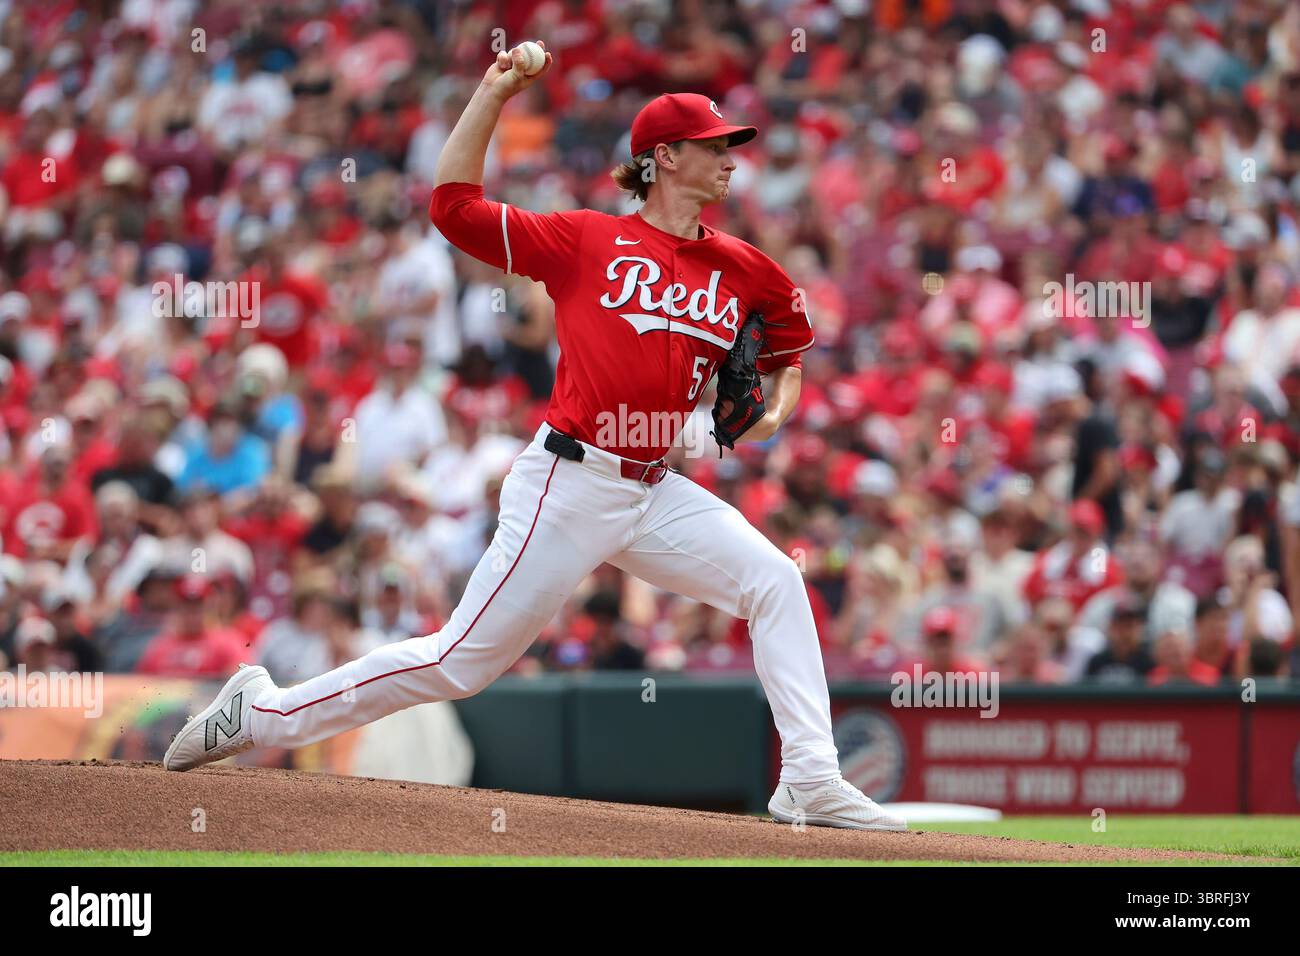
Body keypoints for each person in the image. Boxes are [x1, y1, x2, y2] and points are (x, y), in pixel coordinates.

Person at [164, 45, 905, 833]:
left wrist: (777, 411)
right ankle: (261, 714)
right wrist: (494, 91)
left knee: (776, 583)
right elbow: (452, 206)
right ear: (663, 158)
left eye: (731, 146)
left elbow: (790, 350)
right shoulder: (583, 240)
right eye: (715, 145)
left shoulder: (744, 268)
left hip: (654, 491)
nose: (730, 159)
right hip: (570, 480)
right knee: (460, 662)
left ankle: (812, 779)